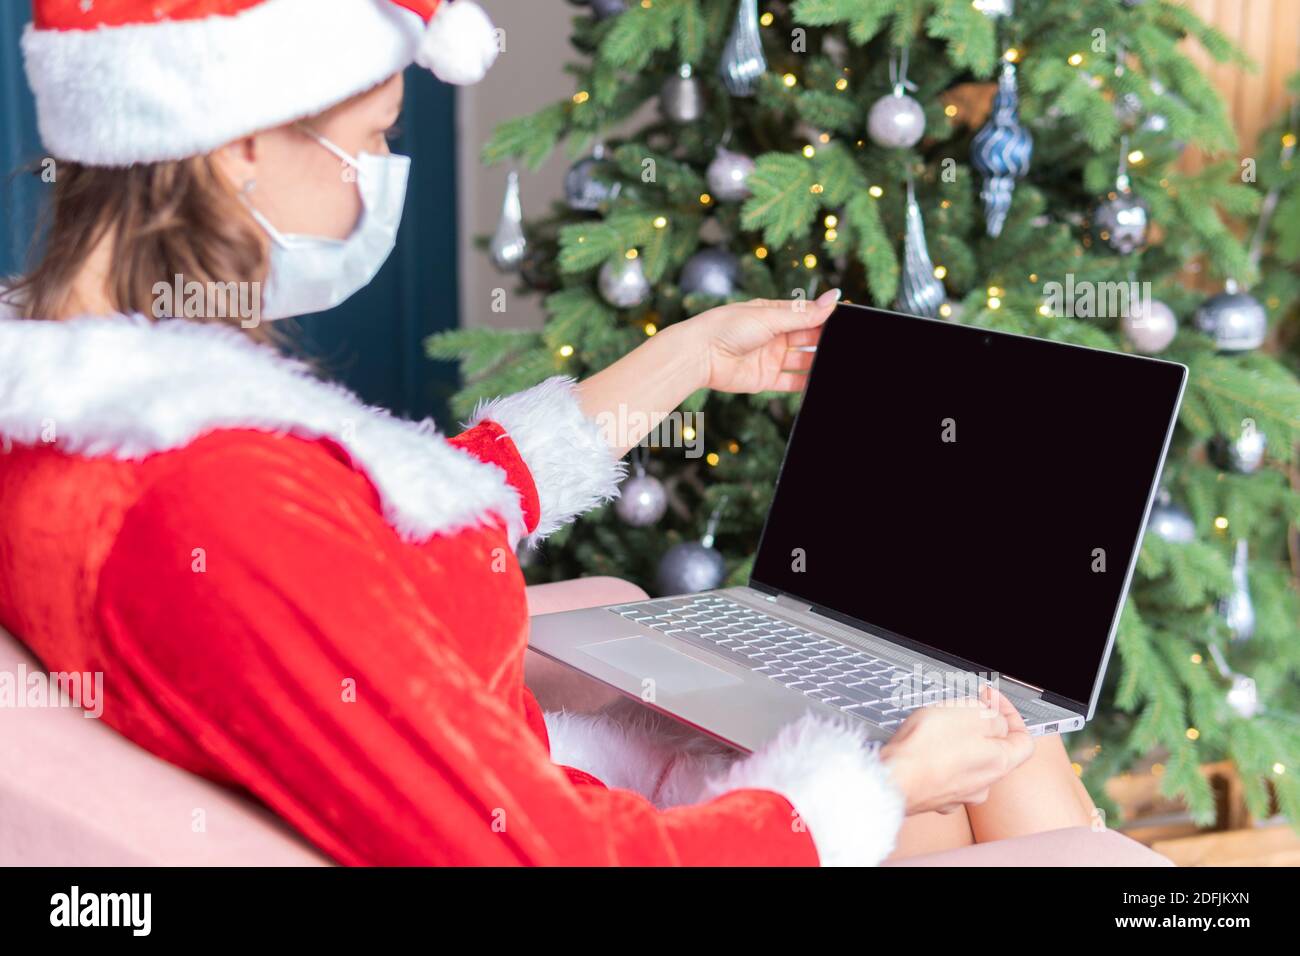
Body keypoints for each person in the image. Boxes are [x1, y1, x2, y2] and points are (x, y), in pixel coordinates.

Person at [0, 0, 1094, 865]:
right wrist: (881, 785)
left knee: (994, 750)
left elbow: (395, 532)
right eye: (370, 142)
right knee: (1013, 759)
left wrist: (690, 355)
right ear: (240, 144)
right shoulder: (209, 497)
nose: (374, 188)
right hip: (571, 819)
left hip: (540, 769)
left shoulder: (92, 414)